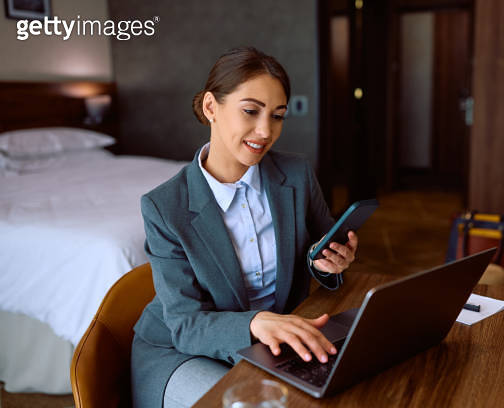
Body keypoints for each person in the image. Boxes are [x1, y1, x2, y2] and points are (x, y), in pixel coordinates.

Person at [130, 46, 359, 408]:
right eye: (250, 111)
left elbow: (321, 249)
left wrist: (331, 263)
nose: (266, 131)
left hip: (273, 345)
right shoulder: (164, 207)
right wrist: (256, 323)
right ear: (211, 108)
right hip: (183, 352)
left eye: (278, 115)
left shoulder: (296, 175)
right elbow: (186, 325)